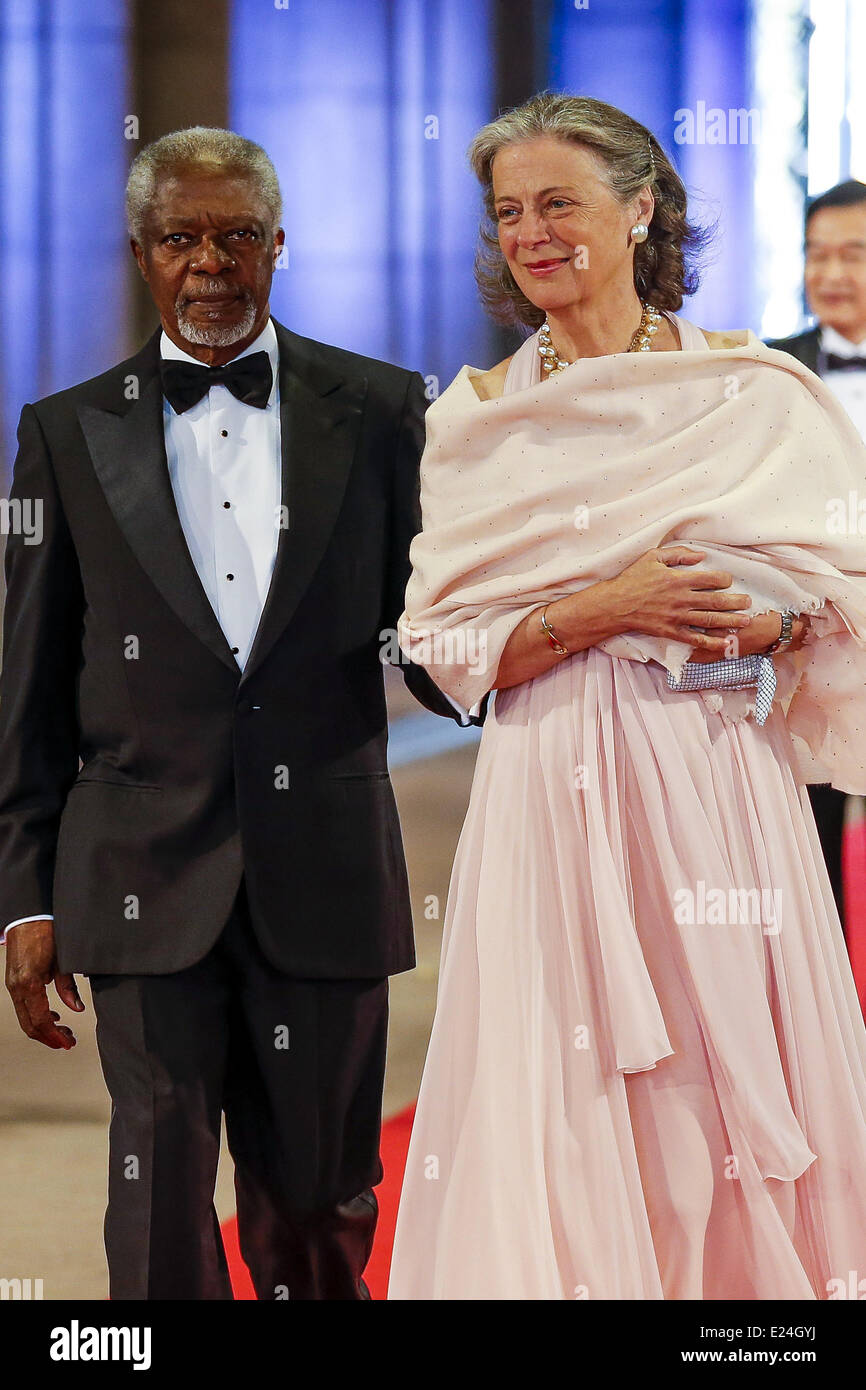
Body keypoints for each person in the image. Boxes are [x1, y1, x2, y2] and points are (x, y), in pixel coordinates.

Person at [389, 94, 866, 1300]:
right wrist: (607, 608)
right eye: (507, 212)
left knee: (725, 1059)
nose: (531, 234)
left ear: (641, 207)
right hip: (547, 780)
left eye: (558, 202)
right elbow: (439, 643)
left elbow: (836, 587)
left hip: (716, 774)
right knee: (561, 1069)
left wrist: (771, 619)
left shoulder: (751, 393)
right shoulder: (474, 419)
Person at [0, 126, 478, 1301]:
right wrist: (23, 898)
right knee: (156, 1192)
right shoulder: (65, 431)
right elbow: (27, 683)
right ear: (138, 253)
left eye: (235, 236)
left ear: (279, 246)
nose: (209, 262)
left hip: (323, 867)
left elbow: (432, 625)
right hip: (134, 873)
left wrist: (532, 669)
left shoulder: (377, 411)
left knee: (319, 1200)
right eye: (180, 238)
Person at [766, 178, 866, 941]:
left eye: (854, 255)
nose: (832, 274)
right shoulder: (772, 374)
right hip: (812, 637)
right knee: (806, 837)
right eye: (818, 255)